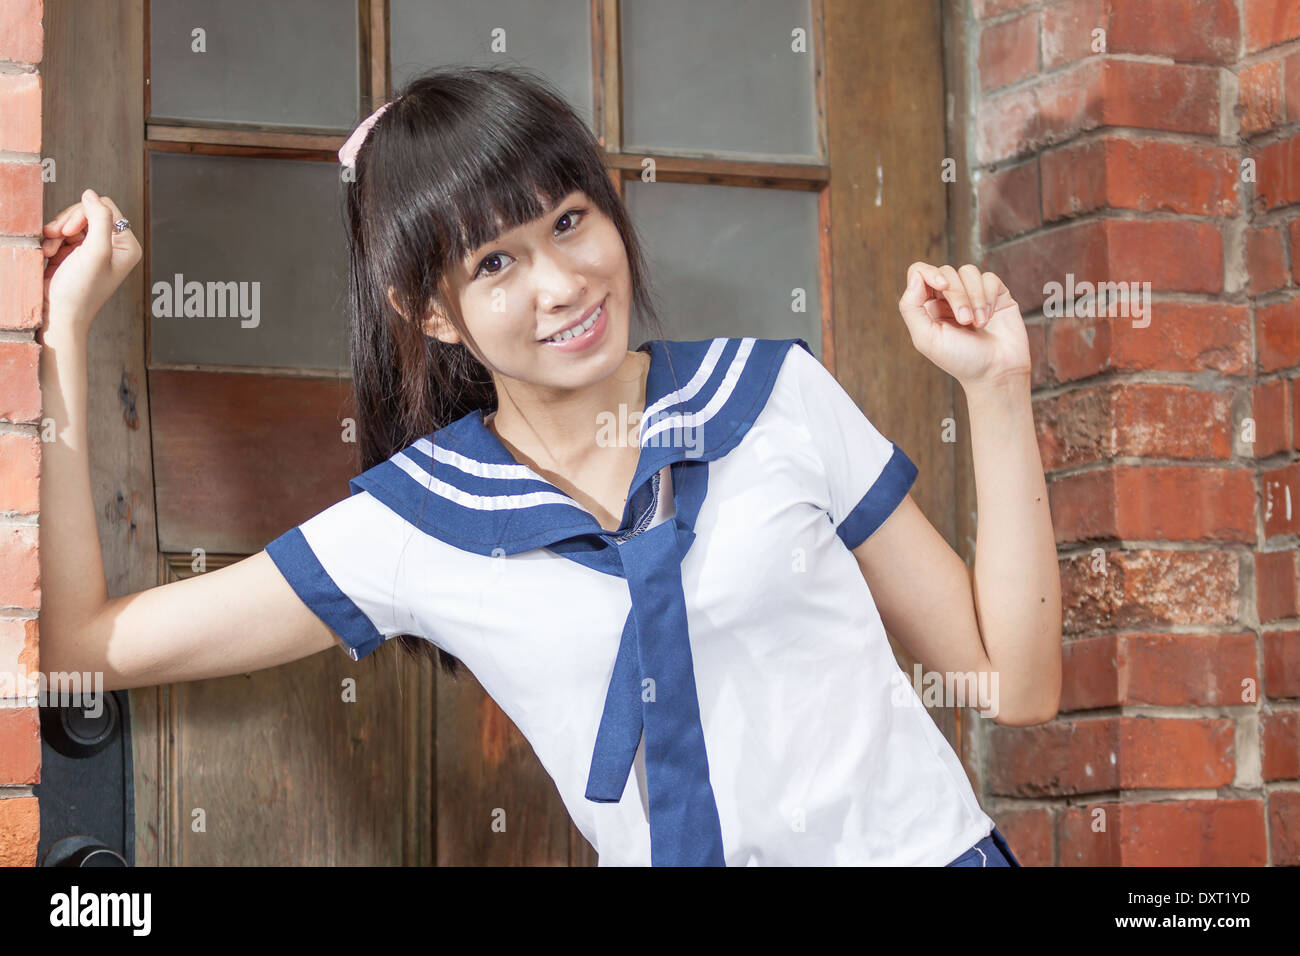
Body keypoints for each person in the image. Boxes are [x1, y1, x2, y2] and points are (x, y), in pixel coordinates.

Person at [37, 65, 1059, 866]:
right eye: (495, 263)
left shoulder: (773, 399)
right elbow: (86, 641)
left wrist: (996, 390)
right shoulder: (417, 522)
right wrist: (62, 335)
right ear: (428, 310)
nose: (564, 284)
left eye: (570, 221)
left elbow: (1012, 681)